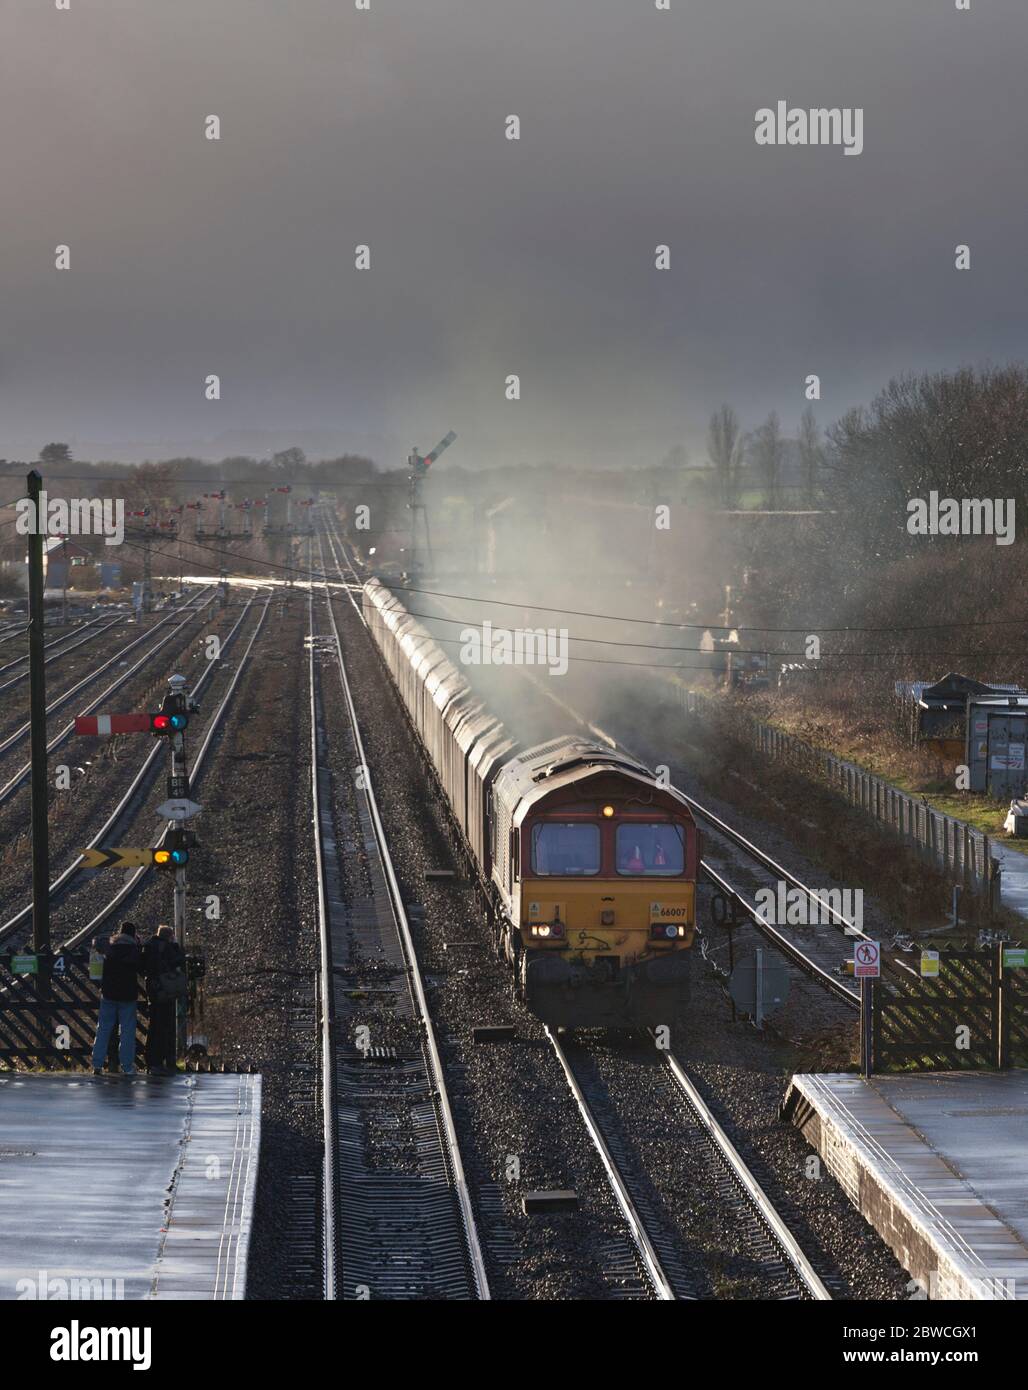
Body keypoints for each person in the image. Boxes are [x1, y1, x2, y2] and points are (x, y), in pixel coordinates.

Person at [91, 922, 143, 1076]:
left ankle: (97, 1064)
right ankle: (127, 1066)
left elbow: (97, 941)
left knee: (103, 1029)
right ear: (133, 935)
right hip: (127, 995)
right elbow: (141, 966)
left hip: (109, 994)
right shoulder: (134, 950)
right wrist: (139, 944)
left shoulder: (109, 947)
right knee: (127, 1032)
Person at [143, 925, 185, 1075]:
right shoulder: (167, 947)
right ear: (170, 936)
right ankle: (162, 1061)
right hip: (165, 991)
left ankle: (151, 1061)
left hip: (152, 991)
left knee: (153, 1026)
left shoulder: (148, 946)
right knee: (164, 1027)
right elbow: (178, 961)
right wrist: (175, 946)